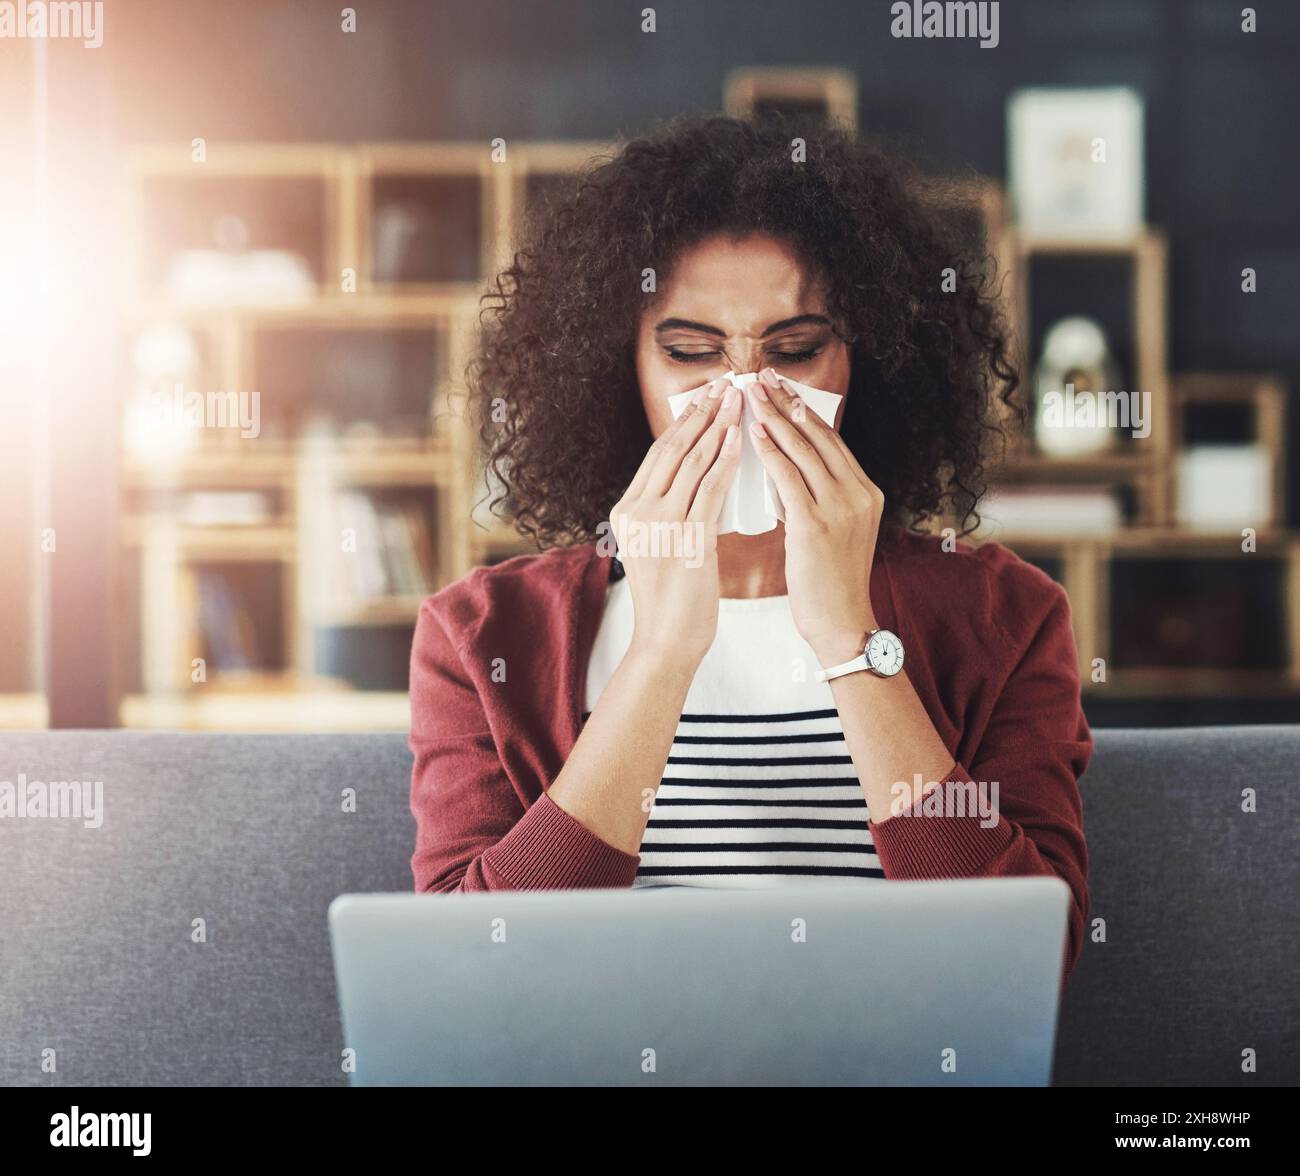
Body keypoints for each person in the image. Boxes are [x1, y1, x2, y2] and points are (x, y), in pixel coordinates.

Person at [408, 114, 1090, 977]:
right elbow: (471, 972)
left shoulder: (1008, 615)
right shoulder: (482, 635)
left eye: (794, 350)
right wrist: (660, 654)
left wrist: (849, 639)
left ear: (868, 363)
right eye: (689, 351)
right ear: (620, 371)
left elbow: (1025, 960)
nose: (741, 394)